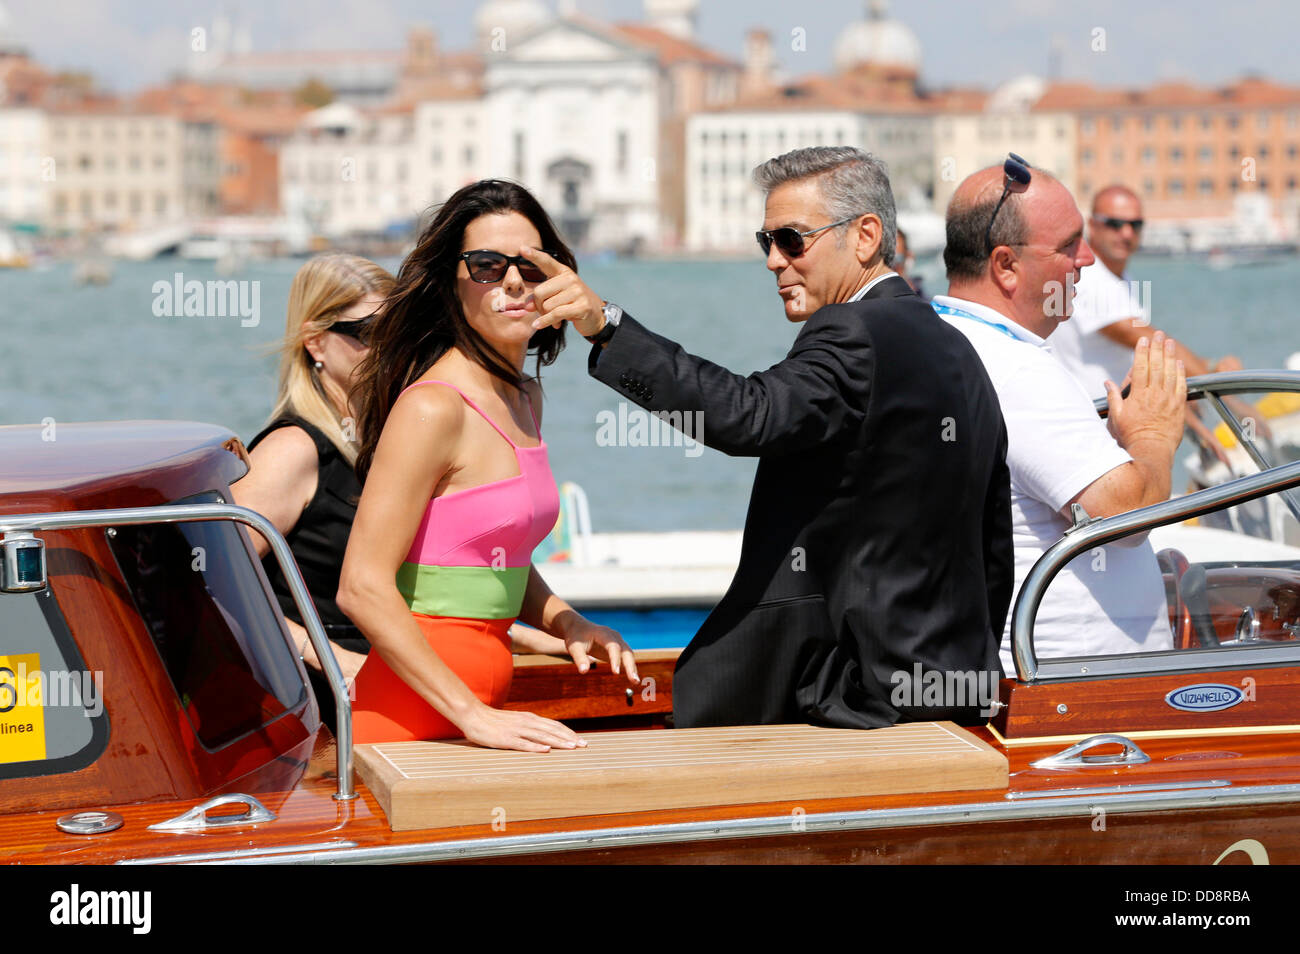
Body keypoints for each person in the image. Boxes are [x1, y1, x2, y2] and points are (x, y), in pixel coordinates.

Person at [528, 146, 1012, 729]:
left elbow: (748, 415)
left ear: (865, 236)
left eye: (792, 239)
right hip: (954, 687)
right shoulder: (953, 344)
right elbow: (990, 542)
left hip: (857, 704)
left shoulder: (851, 330)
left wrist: (604, 326)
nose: (773, 261)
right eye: (766, 243)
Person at [337, 179, 639, 752]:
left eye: (531, 265)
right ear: (452, 282)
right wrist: (471, 715)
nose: (512, 282)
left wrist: (567, 621)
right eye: (486, 266)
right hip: (409, 720)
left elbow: (492, 560)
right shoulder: (432, 407)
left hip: (483, 716)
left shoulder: (525, 396)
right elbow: (361, 586)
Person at [934, 157, 1184, 674]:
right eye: (1069, 245)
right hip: (1076, 701)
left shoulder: (943, 338)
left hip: (1023, 672)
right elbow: (1126, 519)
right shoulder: (1017, 370)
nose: (1087, 259)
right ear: (1005, 265)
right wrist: (1153, 436)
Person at [234, 253, 394, 730]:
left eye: (399, 329)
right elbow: (209, 584)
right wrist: (329, 656)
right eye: (366, 332)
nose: (387, 347)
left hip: (387, 683)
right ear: (315, 342)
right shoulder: (293, 450)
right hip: (316, 709)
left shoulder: (386, 441)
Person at [1051, 184, 1240, 398]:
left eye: (1136, 225)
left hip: (1115, 414)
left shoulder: (1118, 277)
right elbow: (1146, 342)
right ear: (1093, 225)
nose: (1127, 233)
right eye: (1115, 224)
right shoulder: (1086, 276)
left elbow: (1141, 358)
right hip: (1093, 417)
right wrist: (1219, 385)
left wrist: (1209, 367)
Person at [893, 226, 929, 301]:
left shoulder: (924, 301)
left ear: (909, 256)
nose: (890, 267)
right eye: (886, 260)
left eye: (897, 259)